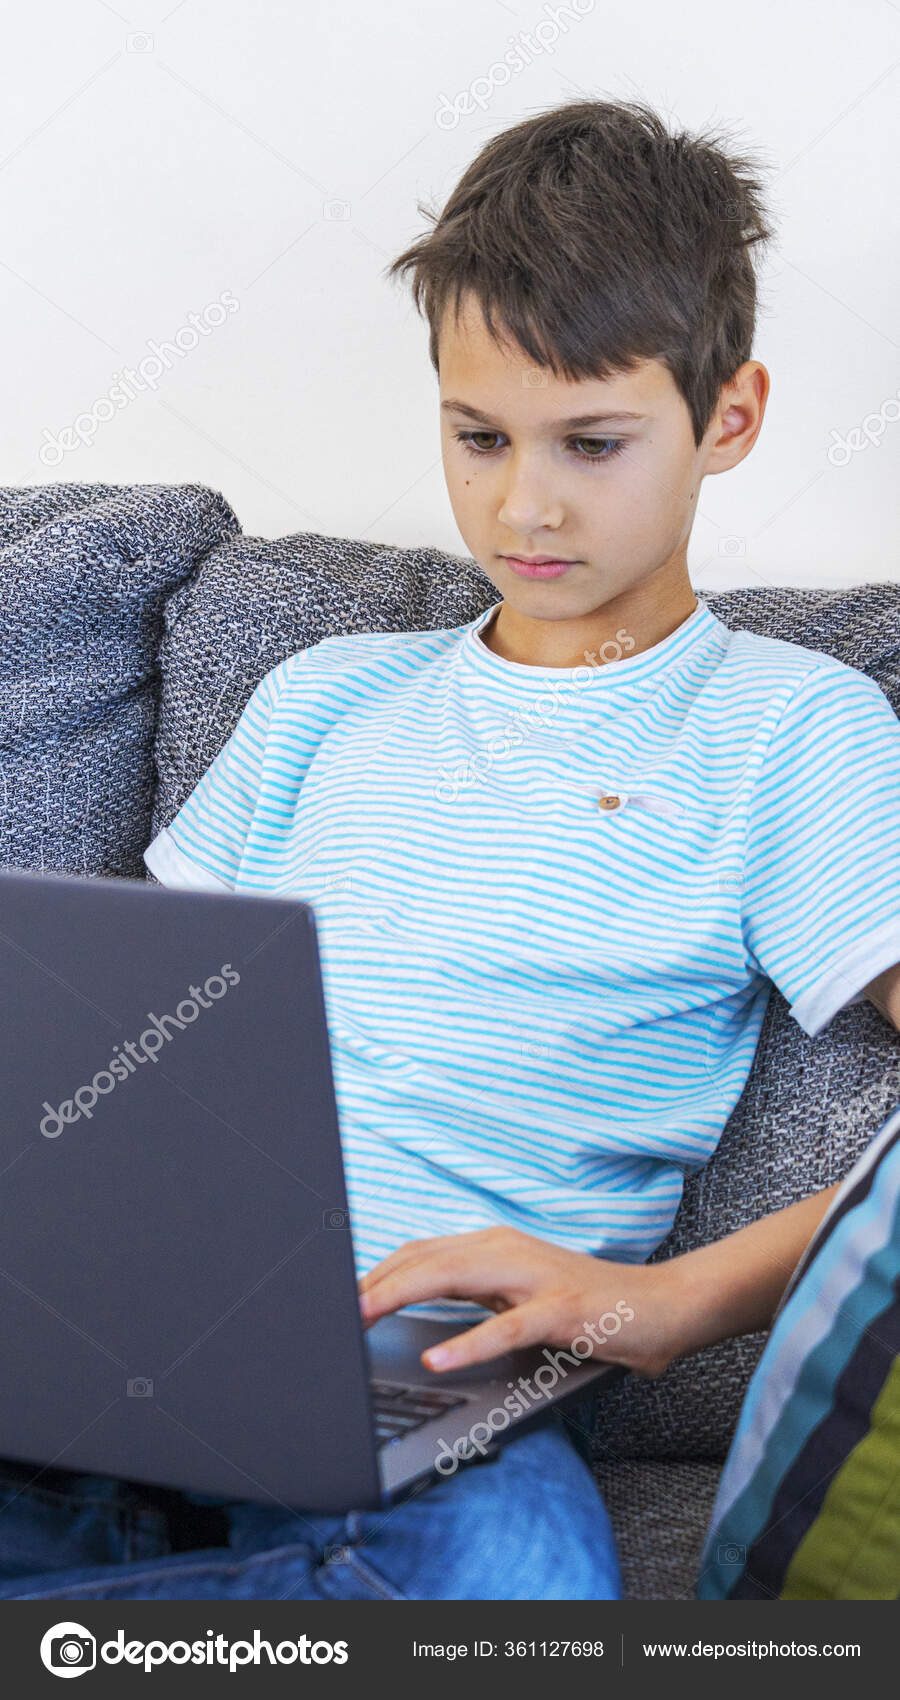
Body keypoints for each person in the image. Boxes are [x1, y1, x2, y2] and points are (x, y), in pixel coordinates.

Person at [2, 97, 898, 1602]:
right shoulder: (324, 695)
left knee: (514, 1588)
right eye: (478, 437)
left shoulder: (789, 727)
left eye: (592, 443)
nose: (522, 503)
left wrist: (673, 1303)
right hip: (135, 1323)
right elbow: (95, 1026)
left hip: (444, 1375)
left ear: (728, 419)